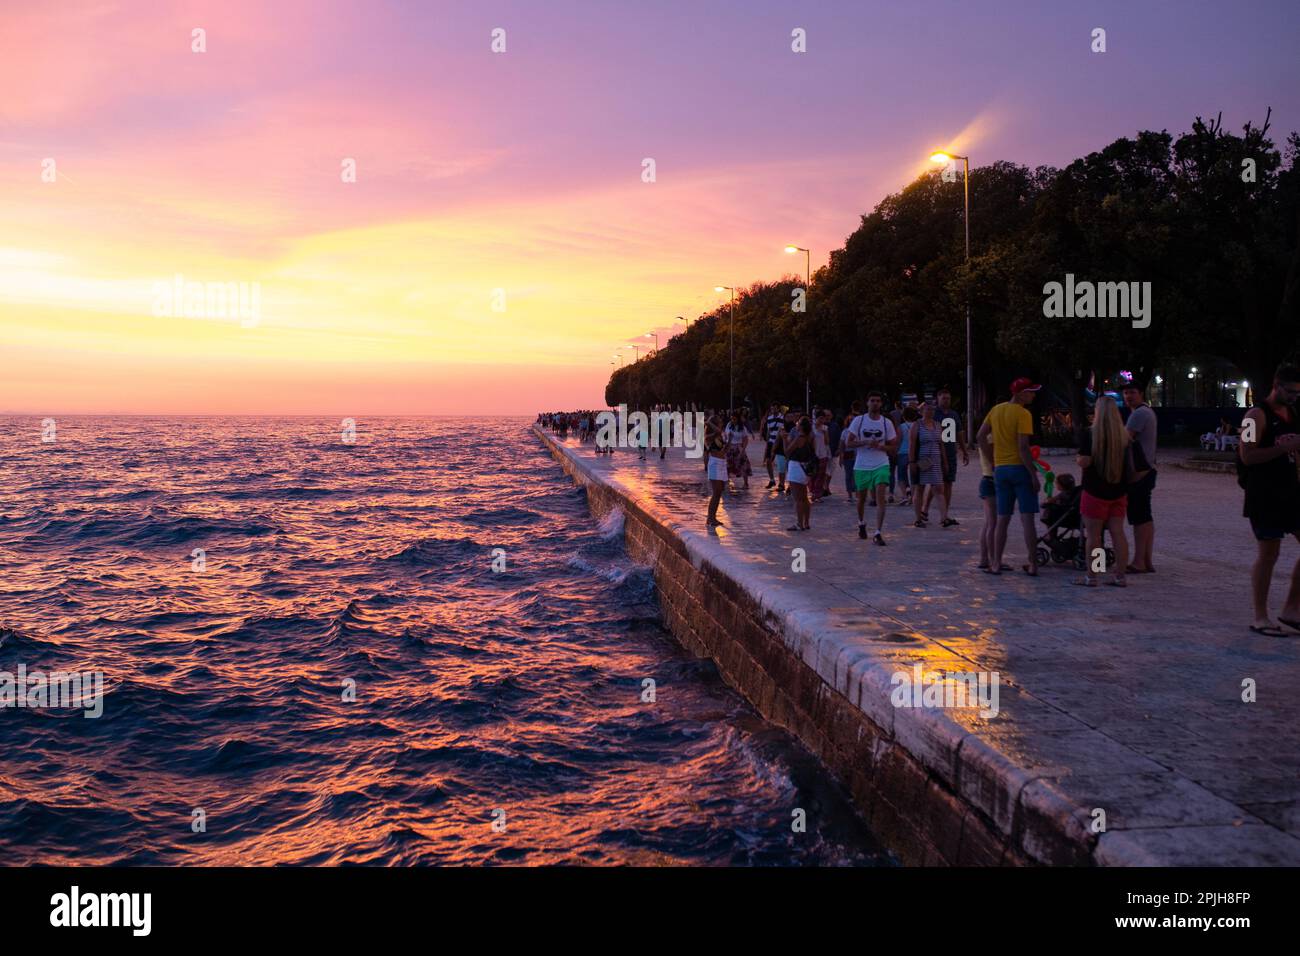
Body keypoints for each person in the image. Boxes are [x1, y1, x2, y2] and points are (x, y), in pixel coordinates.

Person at [1239, 363, 1300, 636]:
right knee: (1269, 555)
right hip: (1265, 495)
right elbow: (1247, 456)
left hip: (1292, 494)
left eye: (1298, 393)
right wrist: (1285, 447)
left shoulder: (1293, 412)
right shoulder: (1255, 416)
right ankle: (1260, 616)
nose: (1293, 396)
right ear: (1276, 385)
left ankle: (1291, 609)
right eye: (1289, 391)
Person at [1074, 396, 1145, 587]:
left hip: (1094, 492)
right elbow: (1142, 467)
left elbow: (1084, 461)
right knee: (1118, 533)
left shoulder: (1090, 435)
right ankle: (1120, 576)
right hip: (1119, 492)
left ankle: (1093, 575)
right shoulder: (1125, 438)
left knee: (1094, 536)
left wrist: (1080, 459)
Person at [977, 377, 1042, 576]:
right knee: (1027, 518)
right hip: (1019, 469)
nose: (1033, 395)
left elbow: (980, 436)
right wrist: (1033, 474)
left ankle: (996, 563)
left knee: (1002, 519)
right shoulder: (1023, 414)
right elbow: (1023, 447)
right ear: (1019, 393)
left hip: (1001, 470)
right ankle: (1032, 563)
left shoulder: (996, 410)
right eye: (1030, 392)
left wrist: (993, 460)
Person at [845, 391, 898, 545]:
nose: (875, 403)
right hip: (862, 465)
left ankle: (878, 532)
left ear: (881, 404)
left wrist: (881, 447)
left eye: (878, 401)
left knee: (880, 497)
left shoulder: (886, 423)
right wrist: (865, 443)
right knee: (861, 498)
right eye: (872, 400)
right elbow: (849, 443)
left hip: (881, 463)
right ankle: (861, 523)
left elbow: (893, 446)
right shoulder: (858, 421)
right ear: (867, 403)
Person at [1122, 382, 1158, 574]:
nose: (1128, 396)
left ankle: (1139, 561)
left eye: (1132, 392)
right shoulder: (1145, 412)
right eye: (1126, 393)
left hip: (1139, 473)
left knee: (1139, 518)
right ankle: (1146, 559)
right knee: (1145, 516)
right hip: (1148, 470)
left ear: (1141, 393)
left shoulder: (1139, 414)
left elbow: (1124, 439)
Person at [930, 388, 968, 527]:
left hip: (951, 452)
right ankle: (924, 511)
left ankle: (944, 514)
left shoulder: (954, 415)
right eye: (943, 398)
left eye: (948, 398)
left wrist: (964, 450)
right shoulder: (933, 414)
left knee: (948, 482)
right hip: (935, 453)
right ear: (938, 399)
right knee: (934, 484)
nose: (946, 401)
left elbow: (959, 433)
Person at [909, 401, 949, 528]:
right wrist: (911, 462)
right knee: (920, 488)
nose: (930, 412)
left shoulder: (938, 425)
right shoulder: (917, 425)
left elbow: (941, 444)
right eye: (927, 409)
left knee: (939, 488)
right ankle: (918, 519)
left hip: (936, 460)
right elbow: (912, 444)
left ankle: (944, 518)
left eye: (932, 409)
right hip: (922, 460)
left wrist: (945, 461)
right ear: (922, 411)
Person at [785, 416, 815, 531]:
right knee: (805, 497)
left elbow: (787, 452)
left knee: (798, 499)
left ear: (801, 426)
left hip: (796, 467)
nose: (796, 424)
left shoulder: (799, 438)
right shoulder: (811, 437)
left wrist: (784, 439)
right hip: (806, 468)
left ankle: (799, 523)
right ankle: (806, 522)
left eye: (798, 423)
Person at [975, 436, 1000, 570]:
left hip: (988, 479)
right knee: (992, 523)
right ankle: (993, 559)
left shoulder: (988, 437)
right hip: (991, 480)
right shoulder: (991, 438)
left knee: (988, 523)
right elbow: (994, 460)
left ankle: (985, 558)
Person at [705, 414, 728, 527]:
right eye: (719, 420)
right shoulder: (710, 435)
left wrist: (730, 441)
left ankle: (712, 517)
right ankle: (710, 518)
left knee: (719, 492)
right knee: (716, 492)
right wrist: (709, 423)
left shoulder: (720, 435)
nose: (721, 422)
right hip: (714, 464)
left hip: (722, 463)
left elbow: (724, 450)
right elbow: (718, 431)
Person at [896, 406, 917, 508]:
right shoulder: (917, 426)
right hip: (914, 453)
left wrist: (895, 451)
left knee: (901, 475)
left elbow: (898, 441)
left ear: (903, 416)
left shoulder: (901, 427)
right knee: (913, 476)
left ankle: (904, 496)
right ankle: (913, 497)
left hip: (902, 452)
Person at [724, 411, 751, 491]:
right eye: (732, 419)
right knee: (727, 466)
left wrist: (743, 449)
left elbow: (746, 439)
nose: (733, 420)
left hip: (738, 447)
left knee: (743, 465)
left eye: (735, 419)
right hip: (729, 447)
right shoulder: (729, 425)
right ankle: (726, 482)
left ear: (738, 419)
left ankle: (746, 483)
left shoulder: (742, 427)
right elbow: (725, 435)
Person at [841, 403, 861, 502]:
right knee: (848, 475)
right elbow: (842, 444)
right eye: (851, 420)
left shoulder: (861, 430)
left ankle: (858, 493)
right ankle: (849, 494)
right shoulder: (845, 432)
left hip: (859, 456)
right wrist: (841, 456)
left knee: (857, 475)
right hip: (848, 455)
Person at [763, 402, 784, 488]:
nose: (773, 410)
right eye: (772, 408)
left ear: (778, 409)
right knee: (768, 461)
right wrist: (767, 443)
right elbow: (768, 431)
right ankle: (772, 480)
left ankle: (781, 483)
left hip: (780, 443)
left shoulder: (782, 418)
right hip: (771, 442)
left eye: (775, 408)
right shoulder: (769, 418)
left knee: (781, 463)